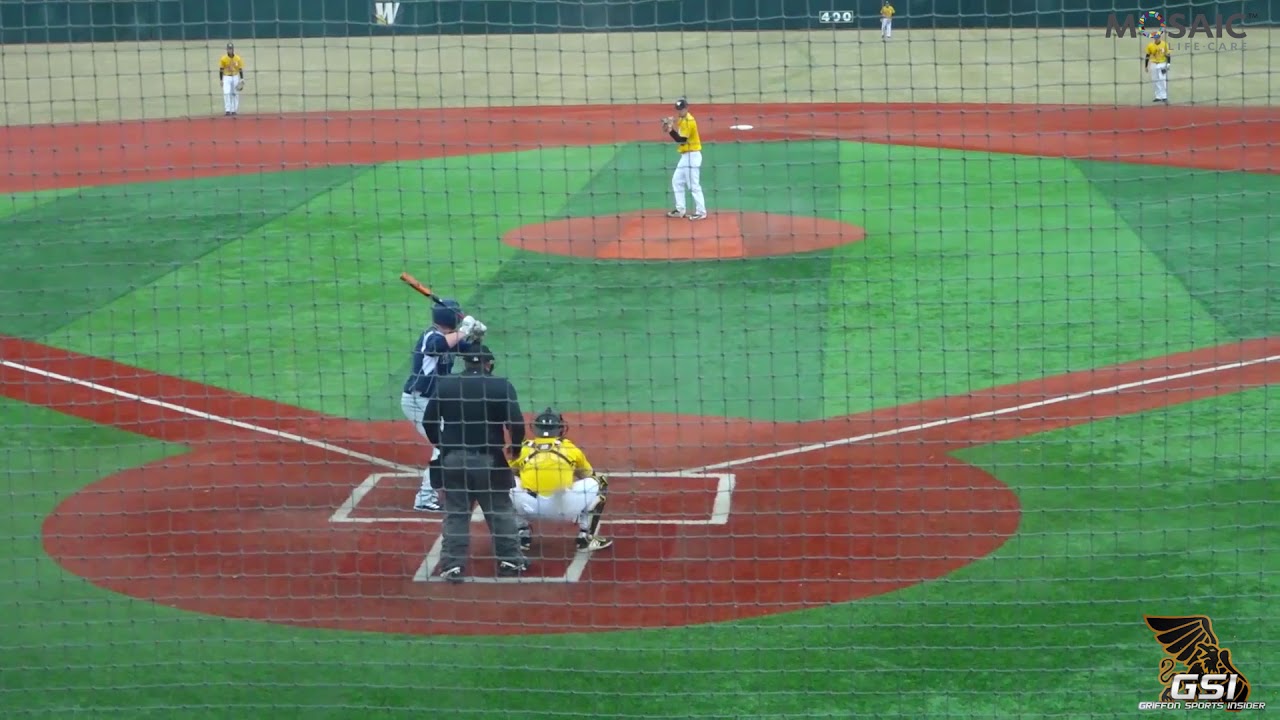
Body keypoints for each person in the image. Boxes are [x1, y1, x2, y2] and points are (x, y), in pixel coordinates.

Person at [423, 344, 529, 583]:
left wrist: (442, 446)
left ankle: (452, 566)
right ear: (488, 364)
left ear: (466, 363)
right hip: (488, 461)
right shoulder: (501, 385)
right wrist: (516, 447)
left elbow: (429, 421)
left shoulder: (447, 384)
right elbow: (517, 423)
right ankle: (510, 560)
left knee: (456, 514)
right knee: (499, 510)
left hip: (452, 461)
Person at [400, 299, 485, 511]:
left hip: (434, 403)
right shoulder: (432, 335)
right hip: (418, 401)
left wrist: (477, 335)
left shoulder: (450, 338)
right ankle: (425, 498)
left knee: (454, 438)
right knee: (444, 445)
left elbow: (471, 352)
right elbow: (436, 346)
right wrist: (465, 330)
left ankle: (449, 480)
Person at [508, 408, 613, 553]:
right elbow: (588, 475)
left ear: (535, 428)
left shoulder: (523, 448)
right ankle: (585, 538)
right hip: (564, 507)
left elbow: (508, 472)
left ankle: (521, 535)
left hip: (529, 507)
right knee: (600, 481)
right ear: (560, 428)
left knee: (502, 480)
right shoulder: (569, 447)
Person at [662, 98, 707, 221]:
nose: (680, 111)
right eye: (678, 109)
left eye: (681, 109)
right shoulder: (682, 119)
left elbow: (681, 140)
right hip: (685, 156)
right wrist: (670, 122)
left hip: (692, 156)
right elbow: (678, 122)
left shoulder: (689, 121)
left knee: (693, 185)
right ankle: (680, 209)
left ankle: (701, 211)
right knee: (676, 181)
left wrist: (670, 130)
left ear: (686, 108)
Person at [217, 43, 245, 117]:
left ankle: (234, 110)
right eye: (229, 49)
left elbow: (240, 69)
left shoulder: (238, 58)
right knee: (226, 93)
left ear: (233, 49)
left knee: (235, 94)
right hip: (226, 77)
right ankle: (227, 110)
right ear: (227, 49)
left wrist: (242, 78)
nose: (230, 50)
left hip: (235, 77)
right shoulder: (223, 59)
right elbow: (221, 70)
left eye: (231, 48)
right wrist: (221, 80)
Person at [1145, 31, 1172, 103]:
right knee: (1155, 80)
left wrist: (1168, 64)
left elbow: (1168, 55)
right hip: (1153, 64)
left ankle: (1164, 96)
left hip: (1162, 64)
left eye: (1157, 37)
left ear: (1159, 37)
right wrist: (1146, 66)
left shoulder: (1164, 44)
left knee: (1162, 80)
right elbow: (1147, 56)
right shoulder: (1150, 45)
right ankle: (1158, 96)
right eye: (1155, 38)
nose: (1156, 39)